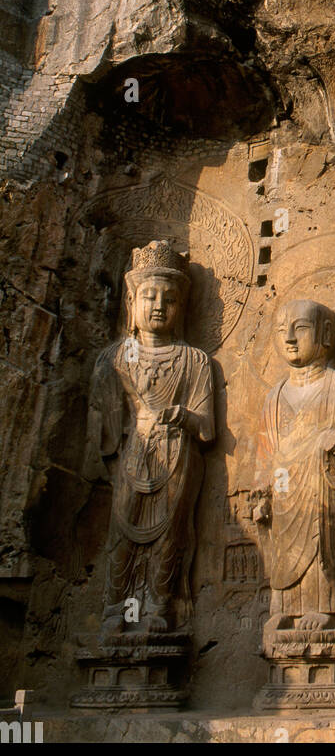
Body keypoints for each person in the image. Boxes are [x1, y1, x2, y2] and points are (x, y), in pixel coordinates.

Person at [85, 241, 214, 635]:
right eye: (149, 295)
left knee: (171, 535)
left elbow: (207, 425)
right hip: (131, 456)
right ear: (131, 301)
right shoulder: (114, 357)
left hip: (177, 456)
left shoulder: (194, 360)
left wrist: (185, 417)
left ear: (183, 306)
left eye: (170, 298)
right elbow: (100, 420)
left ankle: (159, 606)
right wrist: (105, 451)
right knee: (123, 537)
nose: (159, 305)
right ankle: (120, 612)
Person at [254, 299, 335, 636]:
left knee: (324, 537)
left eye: (300, 328)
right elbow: (268, 457)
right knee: (282, 548)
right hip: (285, 492)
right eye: (282, 331)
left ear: (324, 334)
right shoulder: (275, 396)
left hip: (326, 489)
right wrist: (263, 493)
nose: (290, 338)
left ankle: (330, 608)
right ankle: (284, 609)